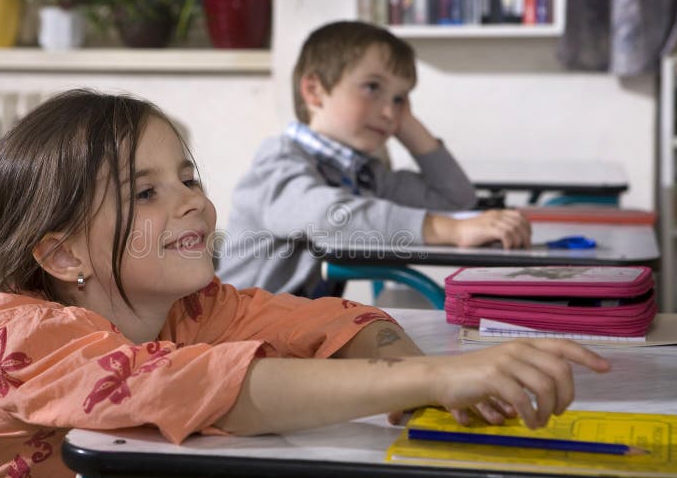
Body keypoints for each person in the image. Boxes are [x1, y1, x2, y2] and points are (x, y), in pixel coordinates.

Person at [0, 89, 608, 478]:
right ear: (60, 252)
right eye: (146, 192)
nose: (191, 204)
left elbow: (337, 316)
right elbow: (202, 388)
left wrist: (420, 389)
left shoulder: (192, 306)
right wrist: (434, 374)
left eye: (189, 177)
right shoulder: (31, 340)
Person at [217, 20, 532, 297]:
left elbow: (455, 198)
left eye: (399, 99)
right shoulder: (278, 162)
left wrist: (407, 126)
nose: (388, 111)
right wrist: (447, 230)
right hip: (232, 335)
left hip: (292, 332)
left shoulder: (364, 173)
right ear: (314, 90)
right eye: (372, 88)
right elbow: (329, 217)